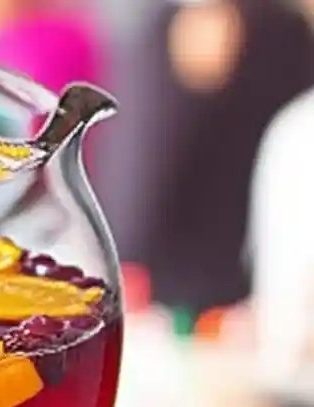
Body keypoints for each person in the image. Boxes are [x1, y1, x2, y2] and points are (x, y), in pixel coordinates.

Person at [104, 0, 314, 316]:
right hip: (237, 298)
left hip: (182, 299)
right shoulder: (290, 33)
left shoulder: (191, 28)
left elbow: (137, 193)